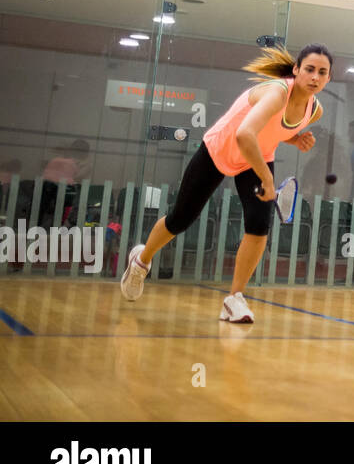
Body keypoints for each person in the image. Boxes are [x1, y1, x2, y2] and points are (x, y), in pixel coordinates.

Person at [120, 43, 332, 324]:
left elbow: (274, 128)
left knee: (259, 225)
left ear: (328, 78)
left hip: (255, 157)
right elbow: (245, 134)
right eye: (309, 69)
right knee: (180, 219)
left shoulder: (314, 110)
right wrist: (267, 178)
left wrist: (295, 139)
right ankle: (141, 261)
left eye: (322, 72)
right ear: (296, 70)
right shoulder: (277, 92)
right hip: (218, 150)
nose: (315, 77)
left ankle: (234, 299)